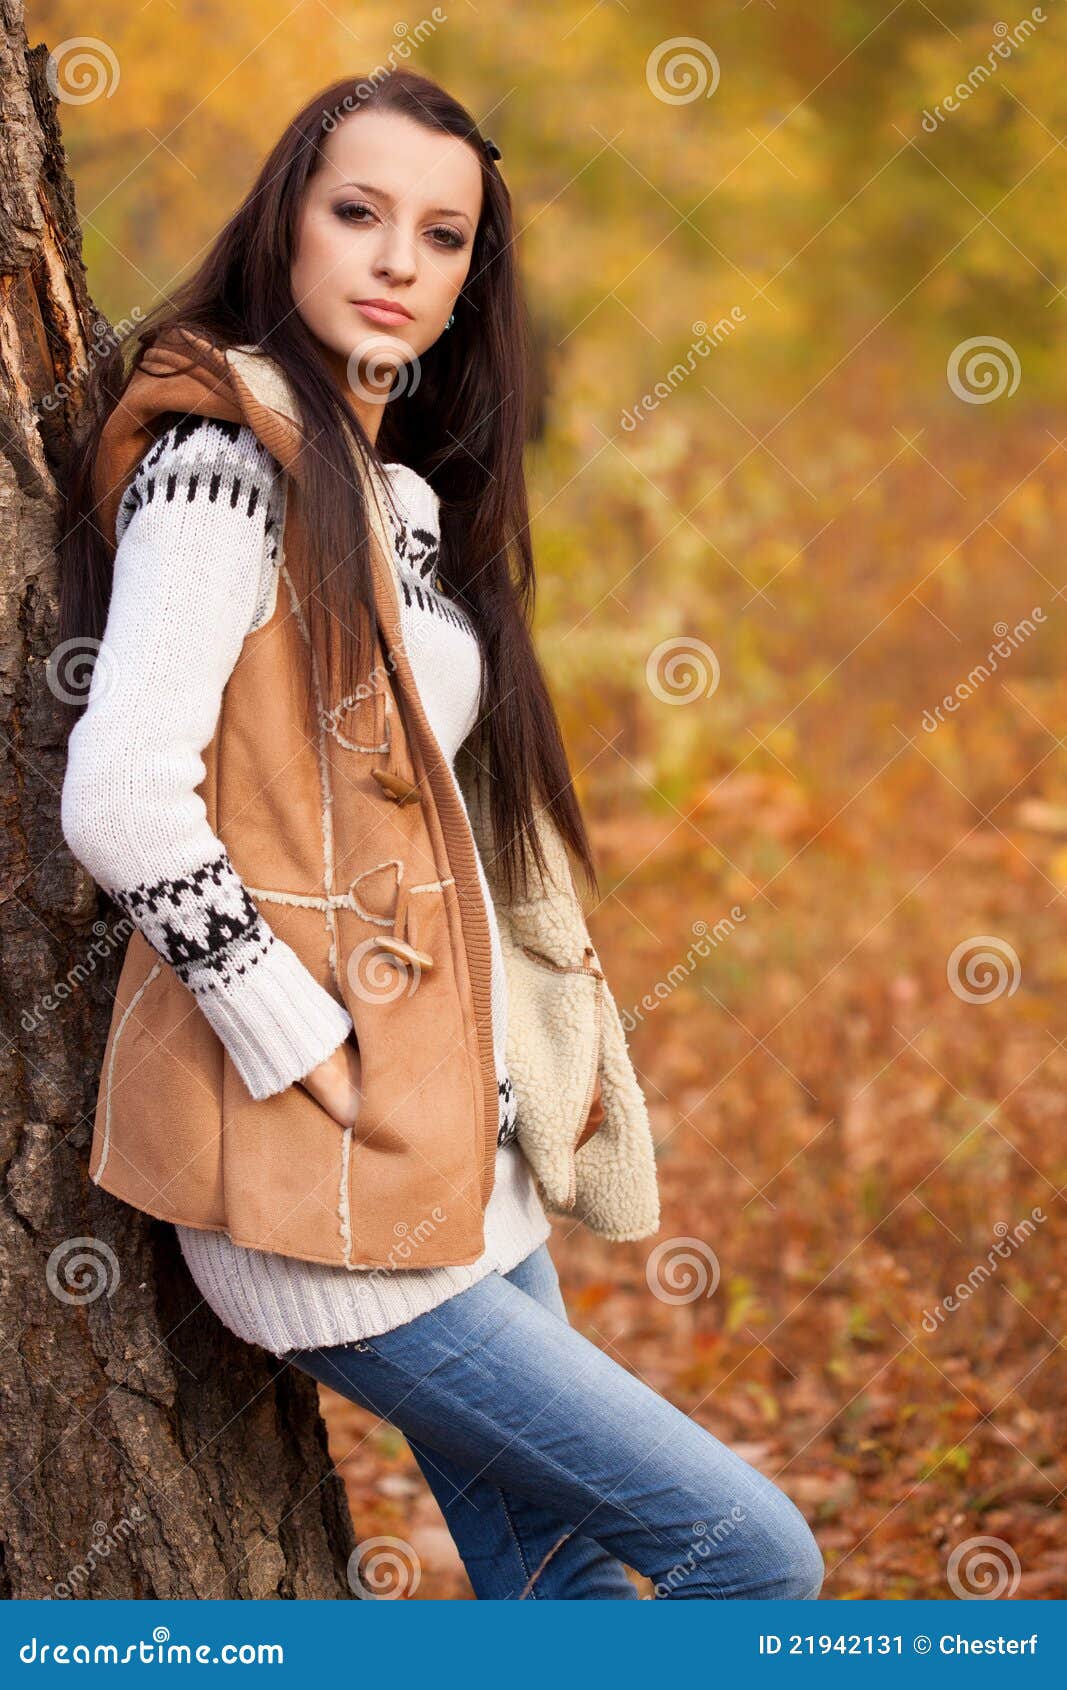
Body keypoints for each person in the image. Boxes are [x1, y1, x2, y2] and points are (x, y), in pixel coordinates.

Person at [57, 67, 824, 1602]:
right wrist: (294, 1035)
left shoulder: (394, 495)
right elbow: (124, 788)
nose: (400, 260)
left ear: (477, 273)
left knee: (568, 1598)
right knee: (753, 1557)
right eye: (359, 214)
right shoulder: (224, 461)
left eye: (444, 235)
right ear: (285, 229)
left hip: (453, 1167)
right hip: (320, 1181)